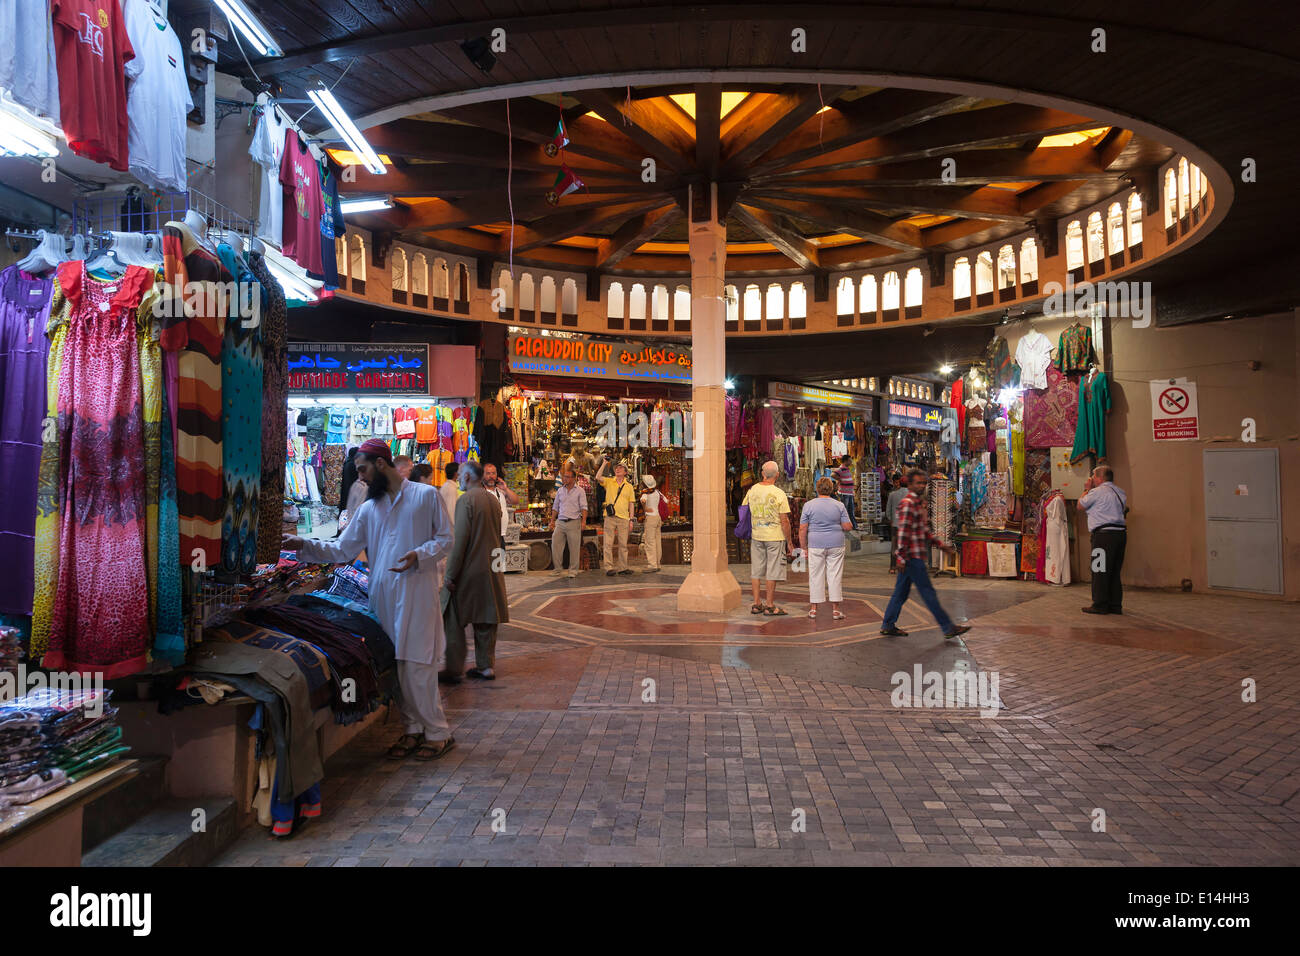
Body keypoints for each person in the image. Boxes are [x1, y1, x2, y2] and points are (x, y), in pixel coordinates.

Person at [283, 438, 455, 761]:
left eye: (362, 469)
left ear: (380, 463)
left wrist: (420, 554)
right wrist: (301, 544)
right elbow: (342, 549)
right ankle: (413, 730)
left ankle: (438, 733)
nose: (359, 477)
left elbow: (446, 539)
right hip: (383, 596)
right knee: (396, 663)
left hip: (417, 593)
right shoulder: (368, 509)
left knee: (417, 664)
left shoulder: (425, 496)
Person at [879, 468, 971, 639]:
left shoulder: (917, 503)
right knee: (928, 594)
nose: (922, 485)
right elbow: (903, 532)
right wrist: (899, 557)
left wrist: (940, 545)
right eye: (918, 483)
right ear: (910, 484)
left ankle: (888, 624)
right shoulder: (908, 504)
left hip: (913, 556)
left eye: (923, 482)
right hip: (911, 557)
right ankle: (947, 627)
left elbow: (923, 531)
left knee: (900, 593)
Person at [441, 461, 509, 681]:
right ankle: (486, 665)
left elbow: (460, 541)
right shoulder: (492, 499)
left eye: (461, 475)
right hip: (491, 566)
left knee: (453, 616)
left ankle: (453, 667)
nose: (459, 478)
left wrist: (450, 575)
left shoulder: (466, 501)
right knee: (487, 617)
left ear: (469, 477)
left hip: (470, 569)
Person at [742, 460, 794, 615]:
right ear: (777, 475)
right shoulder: (779, 494)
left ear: (763, 474)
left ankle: (757, 603)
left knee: (756, 570)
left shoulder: (752, 490)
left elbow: (744, 509)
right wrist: (790, 542)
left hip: (757, 535)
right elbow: (784, 521)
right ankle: (770, 605)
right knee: (772, 571)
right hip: (775, 537)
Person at [800, 477, 853, 620]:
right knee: (834, 575)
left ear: (817, 489)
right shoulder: (839, 505)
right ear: (832, 489)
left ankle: (813, 610)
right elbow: (848, 526)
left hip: (815, 544)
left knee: (815, 575)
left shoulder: (808, 505)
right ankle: (835, 611)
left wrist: (803, 547)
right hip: (836, 544)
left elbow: (802, 528)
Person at [1078, 464, 1127, 615]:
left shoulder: (1096, 492)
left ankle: (1099, 604)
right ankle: (1115, 605)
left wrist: (1086, 488)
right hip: (1120, 535)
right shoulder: (1120, 492)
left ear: (1099, 478)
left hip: (1103, 536)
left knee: (1099, 570)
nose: (1091, 479)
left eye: (1093, 477)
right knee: (1114, 571)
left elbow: (1080, 505)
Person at [595, 457, 636, 576]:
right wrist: (603, 463)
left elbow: (631, 504)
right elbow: (598, 477)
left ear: (625, 472)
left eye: (621, 468)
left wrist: (631, 520)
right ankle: (608, 567)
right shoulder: (609, 481)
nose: (618, 469)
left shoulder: (629, 486)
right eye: (617, 468)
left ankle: (623, 567)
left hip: (624, 518)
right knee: (608, 543)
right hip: (610, 517)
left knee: (623, 544)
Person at [549, 467, 587, 577]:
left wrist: (583, 521)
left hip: (574, 521)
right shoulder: (560, 490)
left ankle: (573, 570)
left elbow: (584, 507)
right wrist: (552, 521)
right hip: (560, 522)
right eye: (564, 476)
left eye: (567, 477)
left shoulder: (580, 491)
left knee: (574, 547)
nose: (565, 479)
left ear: (574, 478)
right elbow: (555, 507)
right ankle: (557, 569)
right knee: (555, 544)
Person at [481, 462, 519, 537]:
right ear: (482, 475)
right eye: (488, 473)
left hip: (501, 534)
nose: (491, 476)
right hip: (486, 535)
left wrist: (506, 488)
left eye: (493, 473)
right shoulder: (480, 492)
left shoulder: (500, 491)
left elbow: (515, 501)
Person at [639, 474, 663, 573]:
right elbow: (666, 500)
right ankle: (657, 563)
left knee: (649, 542)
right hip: (658, 517)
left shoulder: (646, 493)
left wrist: (645, 508)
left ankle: (652, 564)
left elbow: (643, 500)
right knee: (657, 541)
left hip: (650, 517)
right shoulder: (657, 492)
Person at [885, 474, 909, 574]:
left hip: (895, 524)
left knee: (894, 546)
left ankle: (892, 567)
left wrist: (891, 519)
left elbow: (888, 511)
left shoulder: (892, 494)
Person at [833, 455, 859, 531]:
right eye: (850, 460)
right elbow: (832, 475)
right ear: (845, 461)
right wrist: (840, 480)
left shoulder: (847, 469)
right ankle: (843, 526)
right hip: (844, 494)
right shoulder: (841, 468)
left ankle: (854, 525)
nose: (851, 462)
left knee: (851, 511)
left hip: (849, 493)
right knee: (845, 511)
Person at [438, 461, 460, 528]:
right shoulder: (451, 489)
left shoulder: (447, 486)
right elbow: (451, 510)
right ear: (456, 474)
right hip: (449, 528)